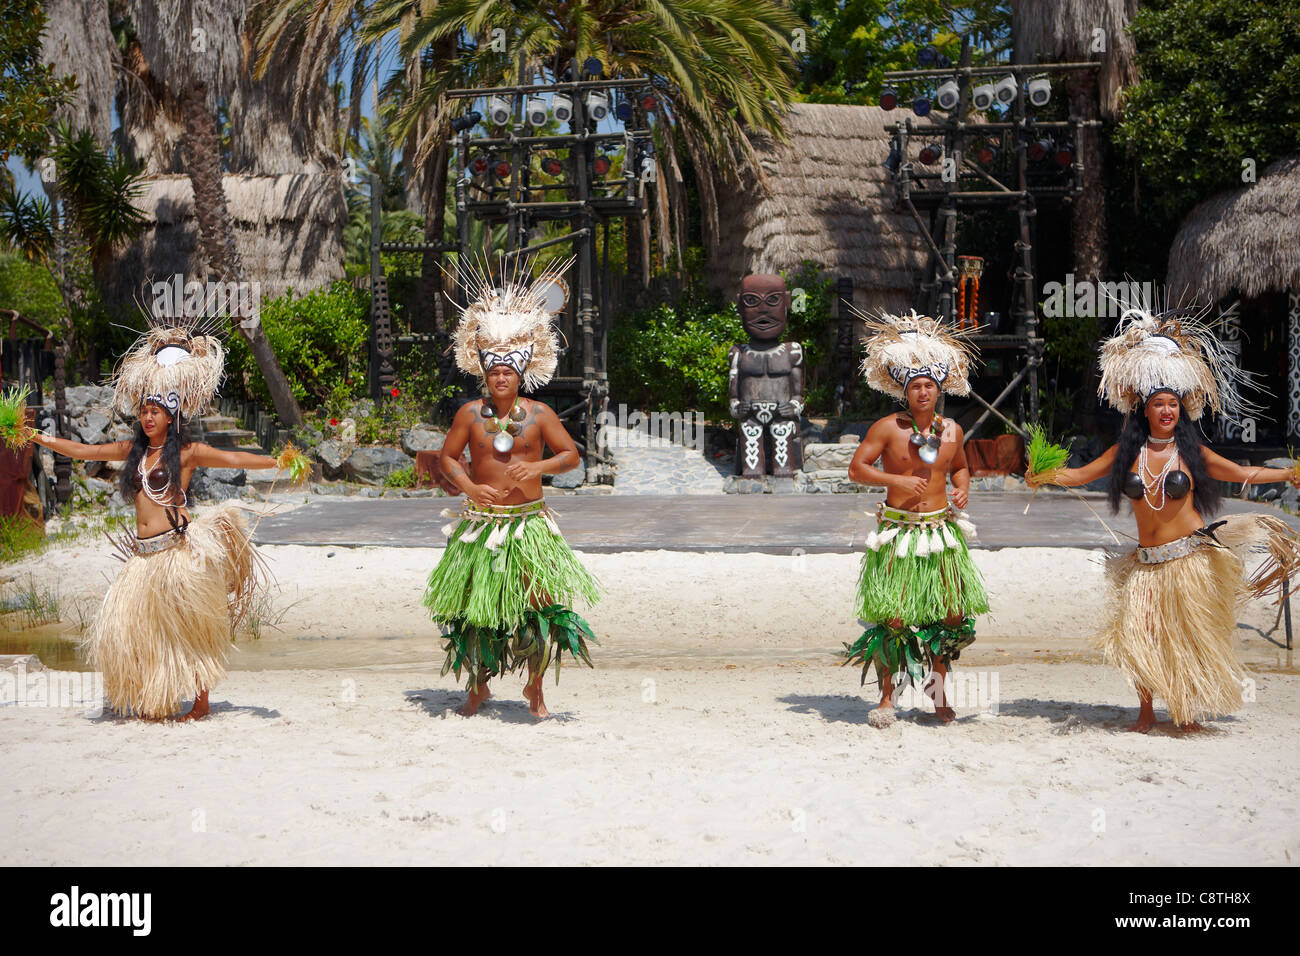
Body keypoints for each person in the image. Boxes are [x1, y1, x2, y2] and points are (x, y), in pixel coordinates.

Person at [1028, 308, 1300, 733]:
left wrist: (1288, 473)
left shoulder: (1193, 455)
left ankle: (1185, 711)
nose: (1167, 410)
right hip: (1146, 562)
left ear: (1181, 409)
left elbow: (1242, 472)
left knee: (1184, 639)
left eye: (1173, 404)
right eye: (1159, 404)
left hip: (1188, 561)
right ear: (1145, 410)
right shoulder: (1127, 453)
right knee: (1141, 636)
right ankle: (1145, 712)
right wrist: (1041, 474)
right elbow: (1079, 475)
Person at [30, 321, 296, 720]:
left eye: (155, 411)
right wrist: (38, 437)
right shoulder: (132, 450)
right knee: (132, 633)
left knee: (191, 628)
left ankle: (201, 702)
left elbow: (234, 458)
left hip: (177, 555)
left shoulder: (187, 452)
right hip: (143, 559)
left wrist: (278, 461)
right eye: (143, 411)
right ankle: (155, 695)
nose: (147, 417)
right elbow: (84, 451)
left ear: (170, 416)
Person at [424, 261, 599, 719]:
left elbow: (571, 457)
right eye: (494, 371)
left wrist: (537, 466)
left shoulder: (540, 414)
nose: (501, 377)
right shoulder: (468, 414)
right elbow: (446, 458)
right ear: (484, 372)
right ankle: (478, 688)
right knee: (476, 610)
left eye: (508, 371)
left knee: (540, 607)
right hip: (482, 524)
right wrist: (468, 487)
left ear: (521, 373)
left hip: (529, 525)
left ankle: (535, 689)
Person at [843, 312, 988, 727]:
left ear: (939, 390)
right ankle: (887, 699)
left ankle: (937, 695)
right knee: (894, 615)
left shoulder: (952, 431)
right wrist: (896, 480)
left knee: (950, 615)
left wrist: (964, 487)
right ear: (905, 392)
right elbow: (856, 469)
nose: (923, 392)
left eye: (929, 385)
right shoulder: (887, 428)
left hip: (942, 534)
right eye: (916, 386)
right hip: (899, 534)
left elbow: (960, 467)